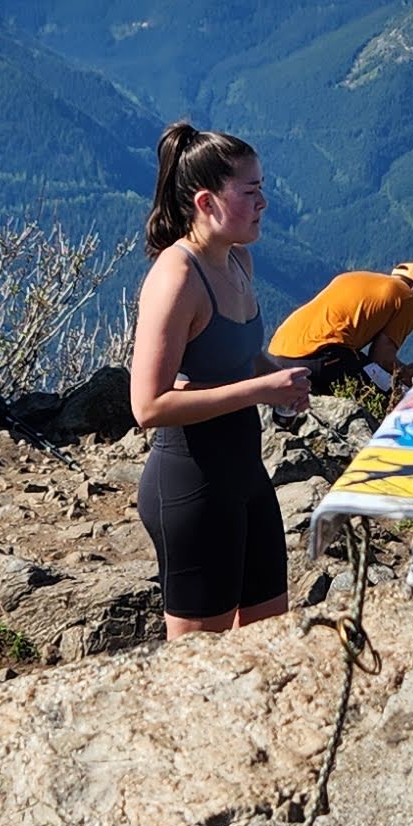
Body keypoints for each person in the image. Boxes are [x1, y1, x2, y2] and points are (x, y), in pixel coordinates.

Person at [128, 123, 309, 636]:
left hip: (245, 474)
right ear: (206, 202)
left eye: (262, 188)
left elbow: (239, 357)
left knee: (266, 642)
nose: (263, 202)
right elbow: (147, 406)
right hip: (192, 484)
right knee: (195, 670)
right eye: (250, 191)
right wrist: (261, 392)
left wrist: (279, 377)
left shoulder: (238, 260)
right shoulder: (176, 277)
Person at [267, 262, 413, 393]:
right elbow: (381, 357)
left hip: (276, 356)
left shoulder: (352, 278)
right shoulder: (409, 298)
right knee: (391, 395)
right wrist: (408, 374)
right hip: (321, 356)